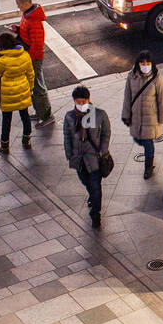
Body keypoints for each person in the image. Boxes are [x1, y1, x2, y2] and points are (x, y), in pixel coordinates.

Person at [63, 85, 110, 229]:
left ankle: (96, 214)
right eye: (78, 102)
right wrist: (69, 154)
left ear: (88, 100)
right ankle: (92, 198)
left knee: (96, 186)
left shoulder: (100, 114)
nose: (81, 105)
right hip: (78, 159)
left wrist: (102, 150)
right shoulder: (70, 116)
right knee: (85, 182)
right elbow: (67, 136)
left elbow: (106, 133)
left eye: (83, 102)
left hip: (94, 158)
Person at [120, 50, 163, 180]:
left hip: (151, 117)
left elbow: (161, 100)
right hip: (136, 117)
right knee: (138, 139)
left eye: (147, 63)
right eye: (142, 63)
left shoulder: (157, 78)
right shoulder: (132, 76)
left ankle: (148, 167)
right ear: (138, 64)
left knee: (147, 142)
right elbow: (127, 96)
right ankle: (149, 157)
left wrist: (162, 118)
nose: (145, 65)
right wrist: (126, 114)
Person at [11, 0, 53, 128]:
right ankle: (39, 112)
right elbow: (27, 34)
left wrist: (28, 58)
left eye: (18, 4)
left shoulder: (33, 20)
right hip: (30, 56)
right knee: (33, 86)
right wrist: (18, 29)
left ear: (25, 3)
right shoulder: (27, 15)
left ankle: (46, 116)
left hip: (33, 58)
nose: (17, 6)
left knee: (38, 86)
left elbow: (37, 43)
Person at [0, 32, 35, 154]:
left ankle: (5, 145)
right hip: (23, 90)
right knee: (25, 116)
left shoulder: (1, 59)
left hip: (8, 93)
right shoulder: (25, 55)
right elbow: (31, 74)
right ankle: (26, 140)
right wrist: (31, 88)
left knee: (6, 119)